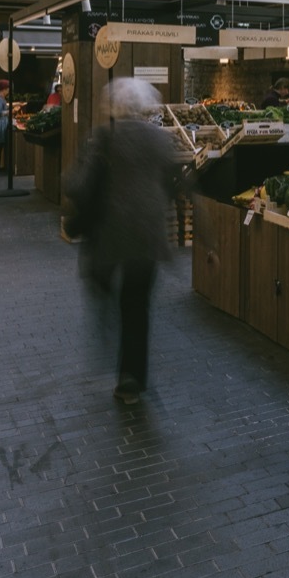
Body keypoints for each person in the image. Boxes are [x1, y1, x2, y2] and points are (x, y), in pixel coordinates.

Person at [64, 77, 186, 404]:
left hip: (111, 234)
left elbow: (78, 187)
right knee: (137, 306)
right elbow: (175, 183)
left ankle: (107, 326)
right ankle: (131, 378)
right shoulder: (161, 139)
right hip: (148, 235)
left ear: (113, 107)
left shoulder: (104, 137)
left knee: (108, 290)